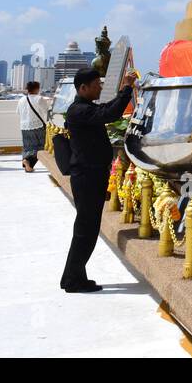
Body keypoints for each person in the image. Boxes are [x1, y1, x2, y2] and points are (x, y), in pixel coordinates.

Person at [60, 67, 134, 293]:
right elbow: (109, 114)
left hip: (90, 175)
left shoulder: (84, 108)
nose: (99, 88)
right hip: (87, 176)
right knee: (85, 230)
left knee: (87, 228)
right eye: (96, 84)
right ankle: (73, 279)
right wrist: (126, 89)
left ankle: (73, 277)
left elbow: (106, 109)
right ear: (83, 88)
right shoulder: (78, 111)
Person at [17, 80, 50, 172]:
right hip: (37, 125)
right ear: (37, 89)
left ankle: (27, 163)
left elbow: (18, 112)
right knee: (41, 146)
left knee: (27, 146)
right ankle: (28, 161)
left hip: (24, 126)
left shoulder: (21, 100)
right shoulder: (39, 98)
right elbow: (46, 110)